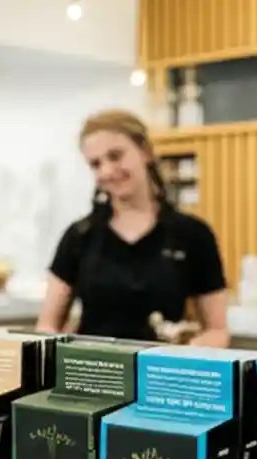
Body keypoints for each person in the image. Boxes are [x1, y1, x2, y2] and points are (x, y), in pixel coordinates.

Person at [36, 109, 230, 346]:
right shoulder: (79, 237)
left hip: (161, 376)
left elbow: (217, 331)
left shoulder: (193, 235)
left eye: (116, 156)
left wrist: (187, 356)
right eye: (96, 164)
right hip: (92, 376)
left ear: (145, 151)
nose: (107, 171)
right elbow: (47, 326)